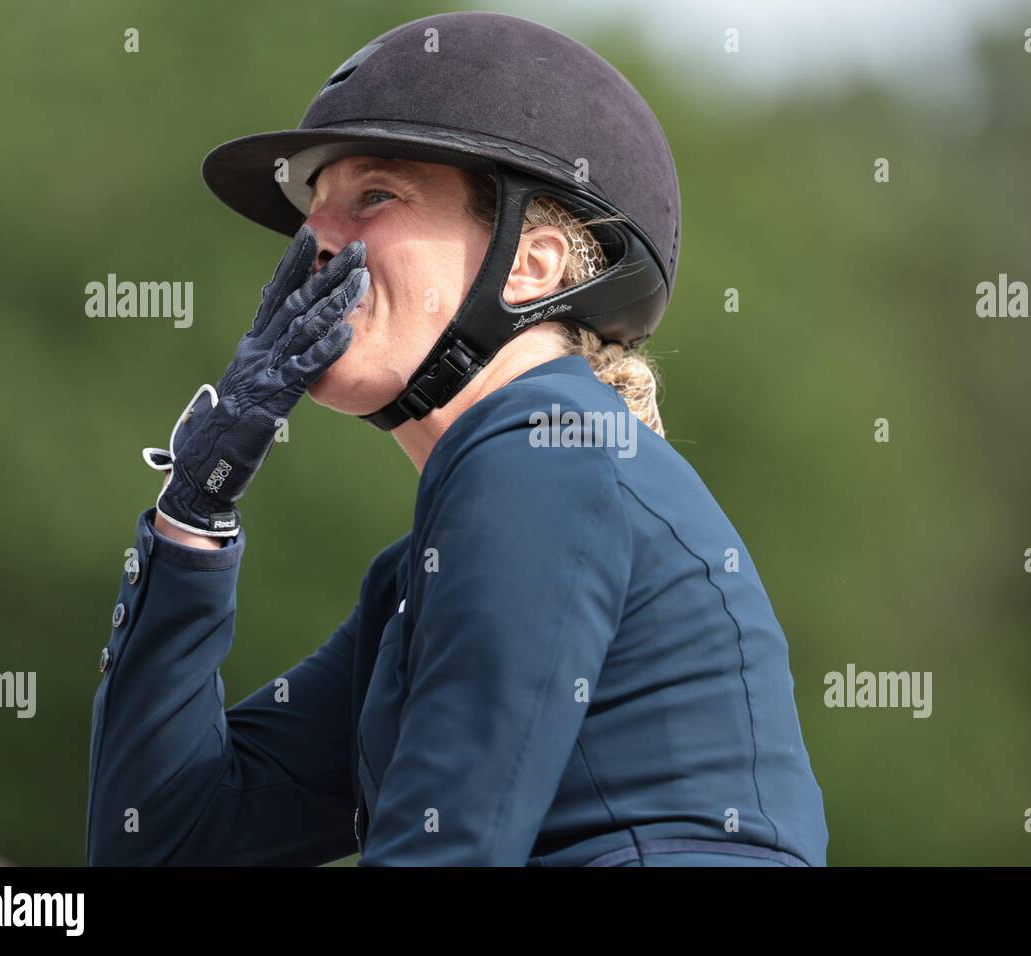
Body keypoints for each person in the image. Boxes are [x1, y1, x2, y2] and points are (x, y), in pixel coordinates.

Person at [86, 10, 828, 867]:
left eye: (374, 197)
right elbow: (164, 843)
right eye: (313, 214)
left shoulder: (543, 453)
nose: (315, 243)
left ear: (530, 265)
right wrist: (194, 510)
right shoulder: (415, 577)